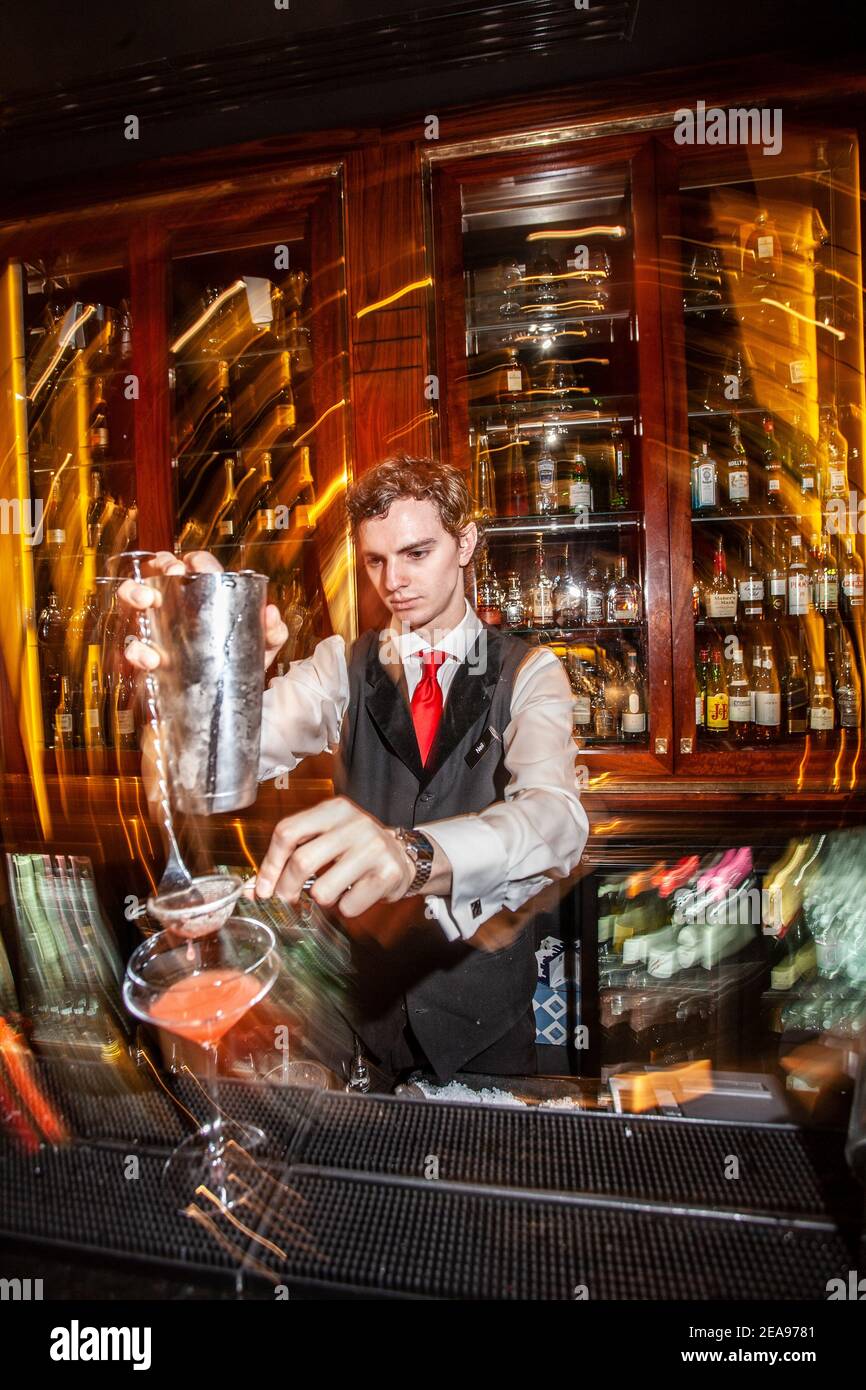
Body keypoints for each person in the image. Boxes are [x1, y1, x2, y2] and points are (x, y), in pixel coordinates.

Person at [120, 456, 587, 1090]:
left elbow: (557, 820)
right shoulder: (342, 665)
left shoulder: (528, 673)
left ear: (467, 542)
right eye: (375, 560)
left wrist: (413, 855)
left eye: (416, 553)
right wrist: (210, 682)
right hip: (354, 1022)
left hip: (482, 1033)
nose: (393, 581)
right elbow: (193, 776)